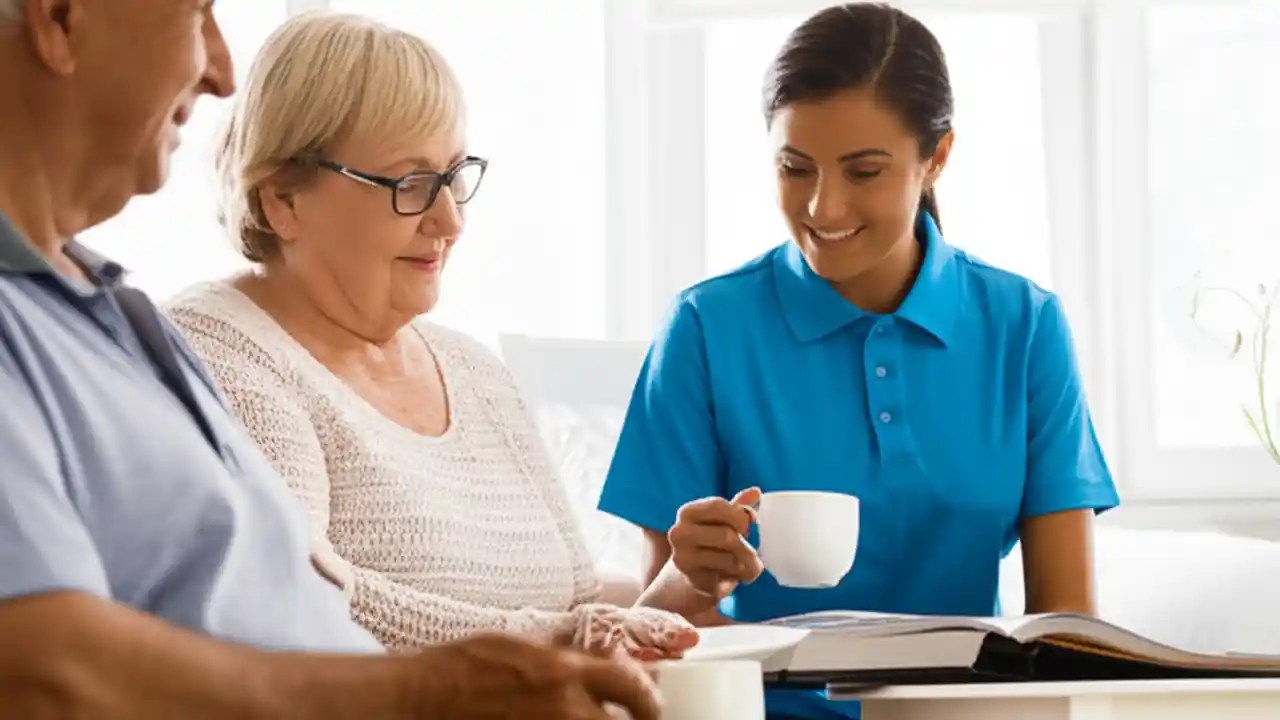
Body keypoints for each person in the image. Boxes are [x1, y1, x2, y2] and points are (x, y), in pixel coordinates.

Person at [0, 1, 660, 718]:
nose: (223, 73)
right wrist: (435, 690)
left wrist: (670, 607)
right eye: (196, 14)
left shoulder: (116, 319)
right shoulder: (201, 340)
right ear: (59, 18)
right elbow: (37, 668)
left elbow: (286, 597)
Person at [597, 3, 1120, 718]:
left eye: (864, 170)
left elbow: (1067, 628)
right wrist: (693, 574)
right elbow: (661, 641)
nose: (822, 204)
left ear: (936, 156)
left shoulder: (1024, 326)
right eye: (795, 167)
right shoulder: (704, 329)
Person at [163, 11, 697, 660]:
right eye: (412, 184)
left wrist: (682, 583)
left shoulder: (473, 371)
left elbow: (578, 606)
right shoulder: (222, 351)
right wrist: (552, 639)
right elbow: (298, 591)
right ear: (283, 200)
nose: (449, 221)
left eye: (451, 177)